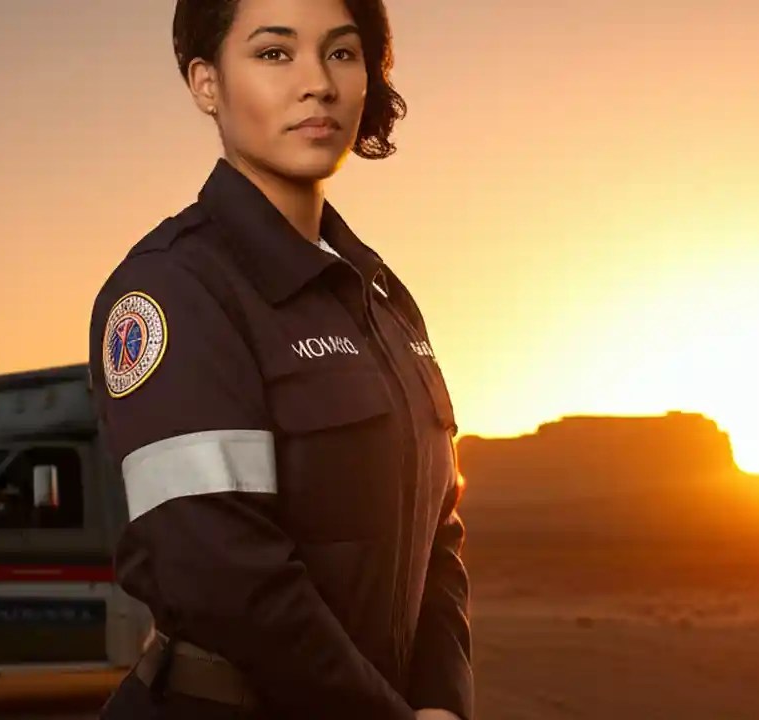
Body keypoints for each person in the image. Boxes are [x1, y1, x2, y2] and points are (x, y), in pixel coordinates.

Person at [88, 0, 472, 718]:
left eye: (342, 53)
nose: (317, 83)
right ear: (207, 84)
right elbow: (221, 574)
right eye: (273, 54)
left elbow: (439, 534)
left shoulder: (382, 299)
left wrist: (444, 702)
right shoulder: (172, 288)